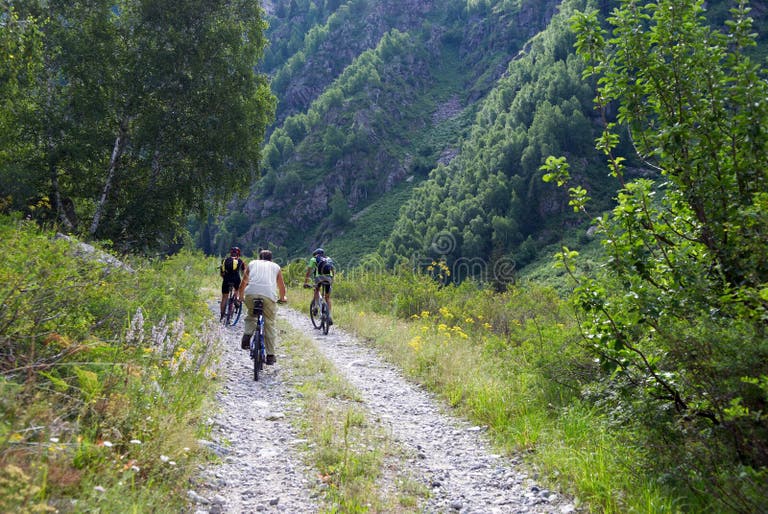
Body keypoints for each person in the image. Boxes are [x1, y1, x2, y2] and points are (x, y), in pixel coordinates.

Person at [238, 249, 287, 364]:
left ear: (259, 258)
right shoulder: (276, 266)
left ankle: (247, 335)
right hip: (268, 296)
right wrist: (283, 297)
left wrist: (241, 296)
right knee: (269, 323)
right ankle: (270, 355)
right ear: (271, 259)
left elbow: (243, 283)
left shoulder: (252, 264)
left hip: (251, 293)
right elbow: (281, 286)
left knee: (251, 315)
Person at [303, 247, 334, 325]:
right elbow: (333, 270)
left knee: (316, 290)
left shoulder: (314, 259)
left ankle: (316, 307)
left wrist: (305, 282)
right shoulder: (328, 259)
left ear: (315, 254)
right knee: (327, 298)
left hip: (319, 278)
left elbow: (308, 272)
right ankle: (329, 316)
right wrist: (332, 280)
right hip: (328, 278)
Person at [219, 247, 245, 322]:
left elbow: (222, 273)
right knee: (236, 292)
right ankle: (235, 301)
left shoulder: (224, 260)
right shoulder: (240, 261)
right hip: (236, 280)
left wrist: (225, 278)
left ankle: (222, 316)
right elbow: (244, 274)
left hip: (226, 279)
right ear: (238, 254)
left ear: (231, 253)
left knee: (224, 298)